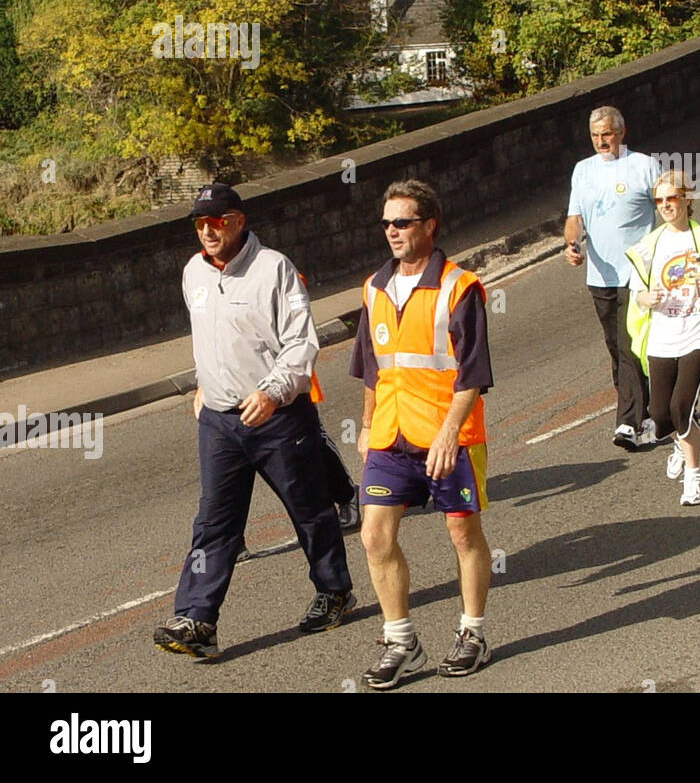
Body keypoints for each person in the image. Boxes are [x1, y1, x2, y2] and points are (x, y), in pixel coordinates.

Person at [154, 184, 354, 660]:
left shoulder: (274, 270)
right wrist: (205, 383)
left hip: (279, 418)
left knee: (309, 510)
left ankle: (335, 591)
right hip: (219, 423)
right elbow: (209, 337)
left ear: (239, 221)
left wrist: (272, 392)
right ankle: (197, 619)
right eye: (200, 223)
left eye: (217, 221)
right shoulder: (193, 274)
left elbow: (301, 343)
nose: (208, 231)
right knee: (214, 523)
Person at [350, 179, 495, 688]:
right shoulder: (373, 288)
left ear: (429, 225)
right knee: (373, 536)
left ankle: (473, 633)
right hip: (390, 434)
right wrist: (367, 426)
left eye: (403, 222)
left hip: (447, 434)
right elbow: (373, 368)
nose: (392, 231)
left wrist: (450, 432)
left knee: (462, 533)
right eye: (386, 222)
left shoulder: (460, 287)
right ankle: (401, 641)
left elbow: (472, 374)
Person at [625, 170, 700, 506]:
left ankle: (695, 477)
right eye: (659, 200)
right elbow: (637, 294)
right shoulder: (649, 245)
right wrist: (651, 298)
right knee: (660, 415)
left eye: (671, 198)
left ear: (687, 198)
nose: (665, 206)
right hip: (662, 333)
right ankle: (678, 441)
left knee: (681, 406)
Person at [564, 107, 660, 450]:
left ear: (621, 132)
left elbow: (667, 208)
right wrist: (572, 243)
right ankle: (646, 412)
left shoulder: (644, 166)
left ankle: (628, 422)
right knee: (616, 348)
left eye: (607, 134)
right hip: (600, 274)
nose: (601, 141)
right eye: (595, 136)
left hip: (637, 274)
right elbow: (574, 217)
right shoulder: (583, 170)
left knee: (628, 344)